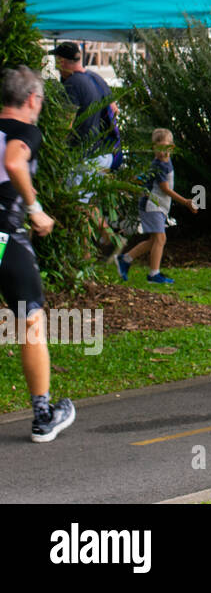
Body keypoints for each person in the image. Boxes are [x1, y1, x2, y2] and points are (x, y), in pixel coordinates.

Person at [0, 66, 76, 442]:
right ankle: (44, 415)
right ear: (32, 100)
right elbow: (13, 162)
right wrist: (33, 209)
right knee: (31, 324)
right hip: (3, 237)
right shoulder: (25, 131)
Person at [51, 41, 121, 250]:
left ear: (62, 62)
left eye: (56, 61)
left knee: (76, 207)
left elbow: (65, 123)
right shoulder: (95, 78)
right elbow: (114, 110)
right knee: (87, 204)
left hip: (83, 155)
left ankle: (83, 256)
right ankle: (112, 242)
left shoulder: (73, 84)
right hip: (103, 153)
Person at [115, 128, 198, 285]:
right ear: (153, 147)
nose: (162, 152)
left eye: (165, 148)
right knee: (161, 238)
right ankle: (154, 274)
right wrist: (186, 202)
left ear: (171, 147)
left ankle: (125, 259)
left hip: (159, 206)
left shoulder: (167, 161)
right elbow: (166, 189)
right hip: (151, 205)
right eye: (158, 148)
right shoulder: (158, 165)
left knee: (154, 241)